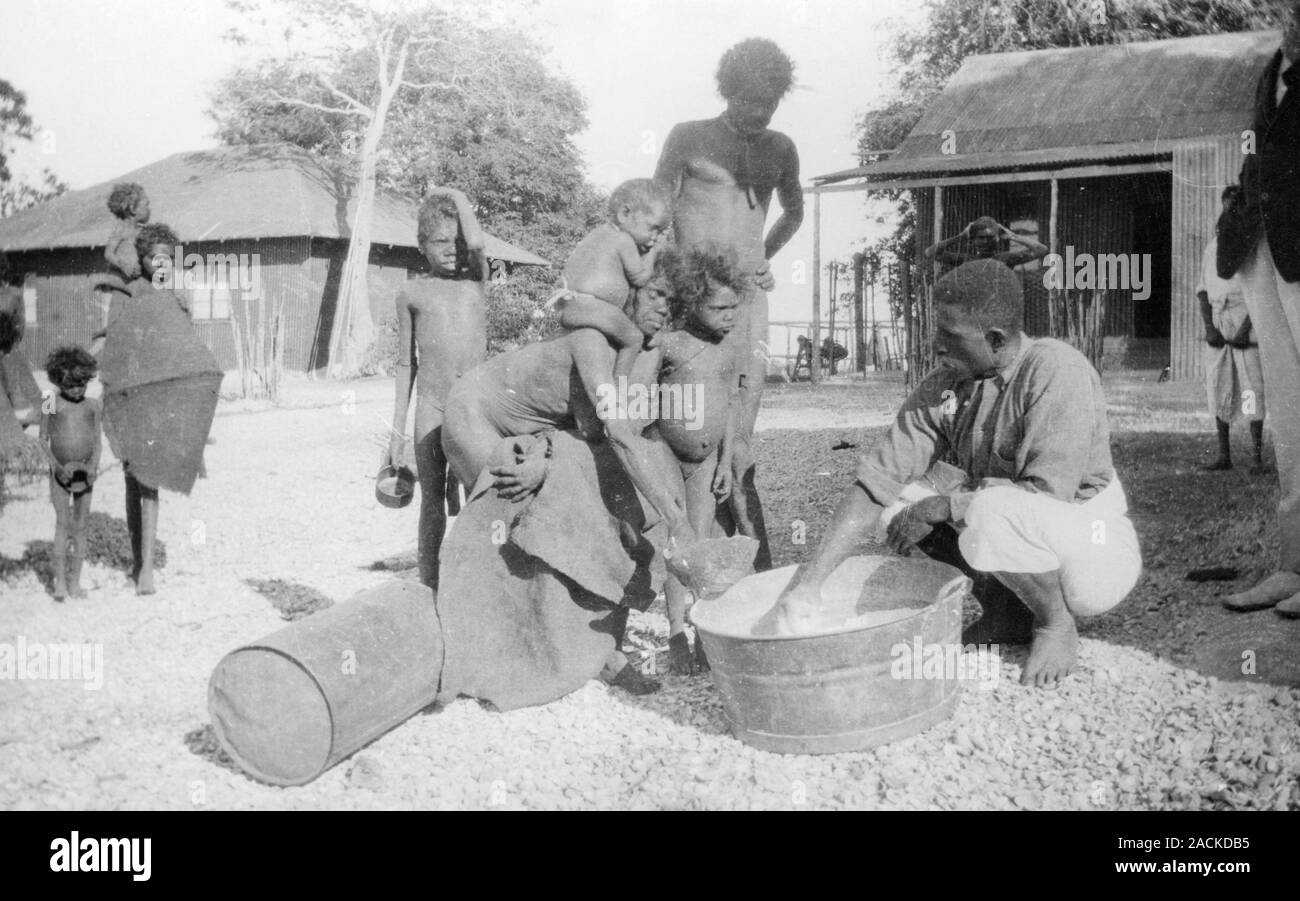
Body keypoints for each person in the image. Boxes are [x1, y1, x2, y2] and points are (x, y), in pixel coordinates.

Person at [759, 261, 1142, 688]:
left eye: (950, 334)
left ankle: (1054, 623)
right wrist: (809, 585)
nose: (935, 344)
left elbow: (1046, 496)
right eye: (935, 329)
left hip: (1089, 540)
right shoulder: (947, 385)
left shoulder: (1056, 369)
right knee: (897, 507)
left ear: (995, 340)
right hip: (1020, 519)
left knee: (990, 515)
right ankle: (1006, 611)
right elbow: (877, 482)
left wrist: (944, 505)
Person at [440, 269, 686, 696]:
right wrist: (677, 519)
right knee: (518, 521)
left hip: (526, 430)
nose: (665, 307)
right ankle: (495, 649)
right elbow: (620, 439)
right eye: (656, 296)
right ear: (625, 302)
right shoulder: (592, 343)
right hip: (474, 418)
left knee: (604, 513)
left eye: (671, 300)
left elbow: (602, 437)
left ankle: (601, 652)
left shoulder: (636, 355)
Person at [654, 37, 804, 571]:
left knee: (740, 435)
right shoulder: (689, 137)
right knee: (686, 429)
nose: (759, 113)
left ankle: (755, 565)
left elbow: (792, 212)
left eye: (769, 103)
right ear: (728, 90)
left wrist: (766, 254)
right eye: (749, 101)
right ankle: (679, 560)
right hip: (689, 299)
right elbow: (654, 209)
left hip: (747, 303)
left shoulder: (781, 147)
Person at [1218, 5, 1300, 615]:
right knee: (1290, 418)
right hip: (1263, 252)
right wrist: (1235, 209)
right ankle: (1293, 566)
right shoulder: (1270, 66)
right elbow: (1255, 153)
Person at [99, 223, 222, 595]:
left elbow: (186, 349)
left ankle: (147, 569)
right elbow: (116, 344)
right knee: (131, 479)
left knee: (150, 482)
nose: (162, 264)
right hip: (130, 394)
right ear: (143, 259)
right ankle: (138, 560)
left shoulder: (178, 296)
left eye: (169, 257)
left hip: (162, 398)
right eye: (155, 257)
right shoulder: (128, 294)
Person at [385, 188, 488, 592]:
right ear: (422, 245)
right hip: (431, 406)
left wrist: (455, 195)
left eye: (456, 241)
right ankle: (429, 584)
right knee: (431, 503)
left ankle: (475, 584)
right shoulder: (411, 292)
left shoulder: (475, 282)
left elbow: (477, 243)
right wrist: (396, 433)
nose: (452, 250)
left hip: (474, 409)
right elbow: (404, 363)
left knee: (478, 496)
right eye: (440, 241)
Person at [650, 245, 745, 673]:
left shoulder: (729, 347)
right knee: (677, 543)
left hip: (707, 463)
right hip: (669, 454)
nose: (729, 316)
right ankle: (674, 632)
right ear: (691, 303)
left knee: (702, 545)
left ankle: (704, 629)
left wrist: (726, 461)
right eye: (720, 308)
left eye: (734, 307)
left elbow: (728, 405)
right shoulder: (668, 345)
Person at [554, 178, 672, 381]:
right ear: (624, 214)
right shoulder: (624, 241)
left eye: (660, 232)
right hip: (593, 307)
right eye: (653, 228)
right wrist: (653, 255)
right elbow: (640, 278)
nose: (655, 237)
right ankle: (620, 386)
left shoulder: (598, 234)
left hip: (569, 304)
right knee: (634, 338)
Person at [1198, 187, 1266, 474]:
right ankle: (1224, 455)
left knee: (1251, 388)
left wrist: (1245, 329)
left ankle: (1257, 458)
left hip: (1246, 322)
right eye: (1226, 207)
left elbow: (1261, 294)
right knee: (1218, 387)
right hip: (1219, 320)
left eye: (1235, 207)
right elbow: (1202, 291)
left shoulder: (1254, 247)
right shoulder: (1213, 247)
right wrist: (1210, 327)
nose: (1230, 212)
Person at [37, 346, 102, 600]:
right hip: (59, 474)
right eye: (70, 385)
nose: (77, 390)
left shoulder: (93, 405)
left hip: (85, 475)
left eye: (81, 384)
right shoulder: (50, 400)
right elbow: (42, 439)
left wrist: (93, 468)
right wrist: (55, 466)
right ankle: (60, 583)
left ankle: (76, 583)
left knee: (81, 527)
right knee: (63, 523)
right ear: (57, 379)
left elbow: (97, 443)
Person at [924, 216, 1049, 272]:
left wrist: (1013, 236)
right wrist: (960, 237)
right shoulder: (965, 260)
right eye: (981, 238)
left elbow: (1042, 250)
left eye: (990, 238)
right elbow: (930, 252)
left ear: (997, 239)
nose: (985, 241)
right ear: (973, 240)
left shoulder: (1005, 259)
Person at [103, 183, 150, 286]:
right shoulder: (120, 230)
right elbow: (108, 254)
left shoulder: (142, 231)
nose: (148, 210)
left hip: (134, 279)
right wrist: (124, 266)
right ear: (133, 209)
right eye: (146, 205)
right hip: (120, 278)